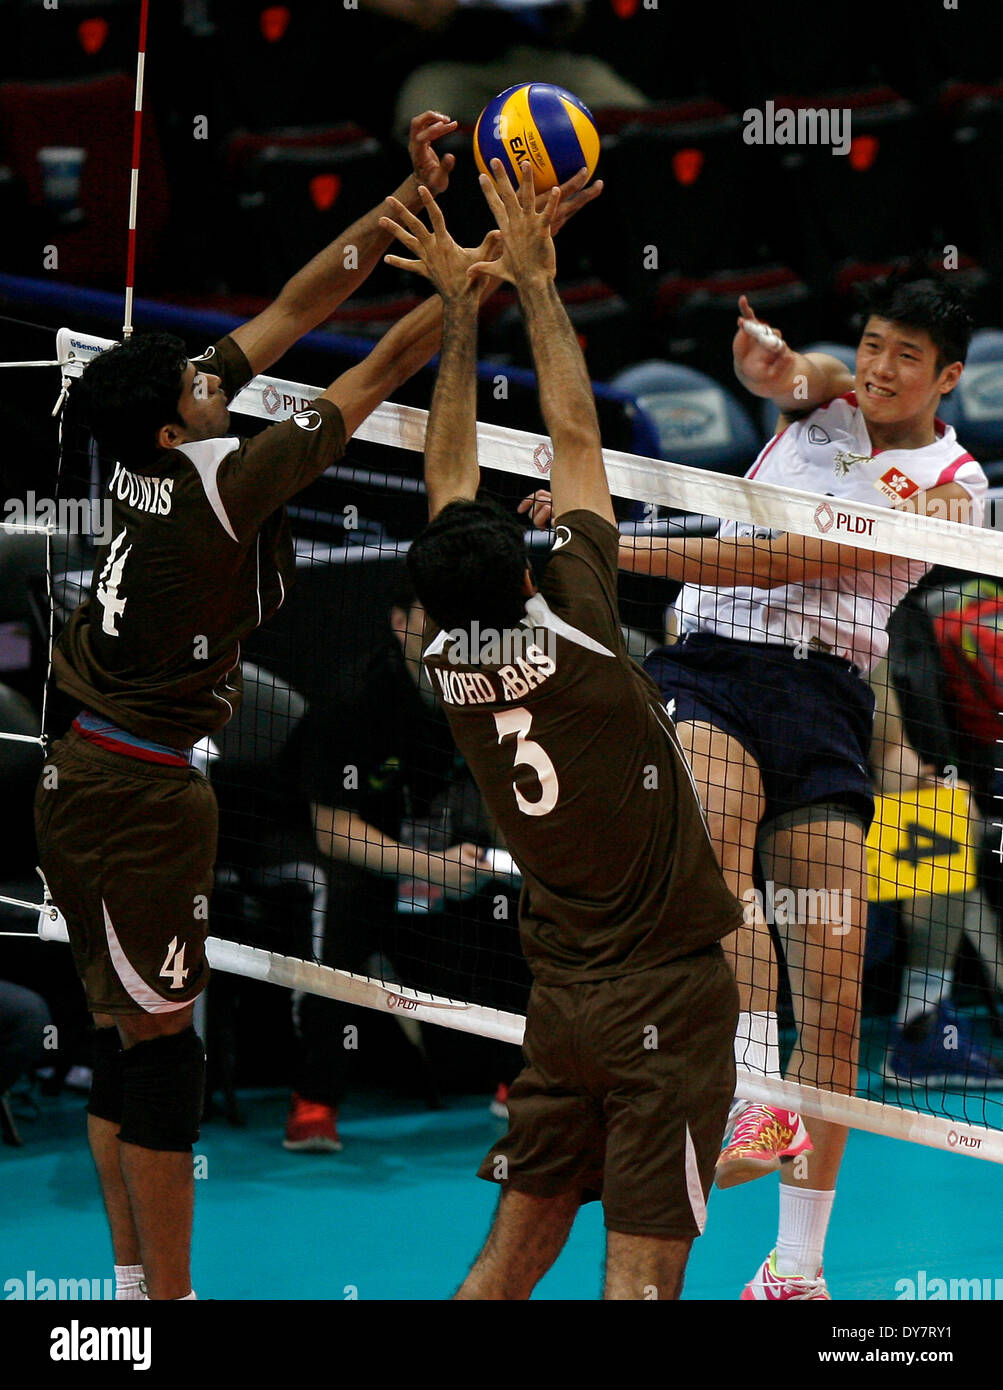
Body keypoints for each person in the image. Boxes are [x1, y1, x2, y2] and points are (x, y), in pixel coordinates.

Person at [31, 112, 498, 1302]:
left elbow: (293, 305)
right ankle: (163, 1306)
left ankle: (133, 1296)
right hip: (133, 797)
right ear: (170, 420)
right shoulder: (226, 485)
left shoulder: (155, 440)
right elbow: (375, 366)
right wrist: (475, 285)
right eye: (201, 381)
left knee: (119, 1045)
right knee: (161, 1062)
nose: (217, 374)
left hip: (83, 768)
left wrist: (404, 197)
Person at [380, 161, 743, 1300]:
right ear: (528, 578)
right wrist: (531, 281)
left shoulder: (443, 665)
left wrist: (452, 305)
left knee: (504, 1265)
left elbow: (443, 479)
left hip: (562, 1006)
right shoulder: (581, 631)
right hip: (666, 999)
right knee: (637, 1283)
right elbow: (574, 428)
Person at [605, 273, 987, 1297]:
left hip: (823, 694)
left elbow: (787, 559)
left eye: (905, 358)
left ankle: (797, 1270)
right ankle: (755, 1095)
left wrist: (609, 548)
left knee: (832, 972)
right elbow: (805, 372)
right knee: (719, 850)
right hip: (715, 664)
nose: (878, 369)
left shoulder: (957, 486)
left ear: (947, 377)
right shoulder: (829, 394)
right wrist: (775, 368)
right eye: (871, 346)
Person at [283, 583, 496, 1151]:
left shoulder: (486, 694)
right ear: (400, 622)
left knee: (519, 901)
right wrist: (427, 864)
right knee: (347, 901)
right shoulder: (352, 700)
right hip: (318, 845)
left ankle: (521, 1079)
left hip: (427, 849)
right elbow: (332, 830)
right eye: (434, 620)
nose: (450, 636)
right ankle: (315, 1099)